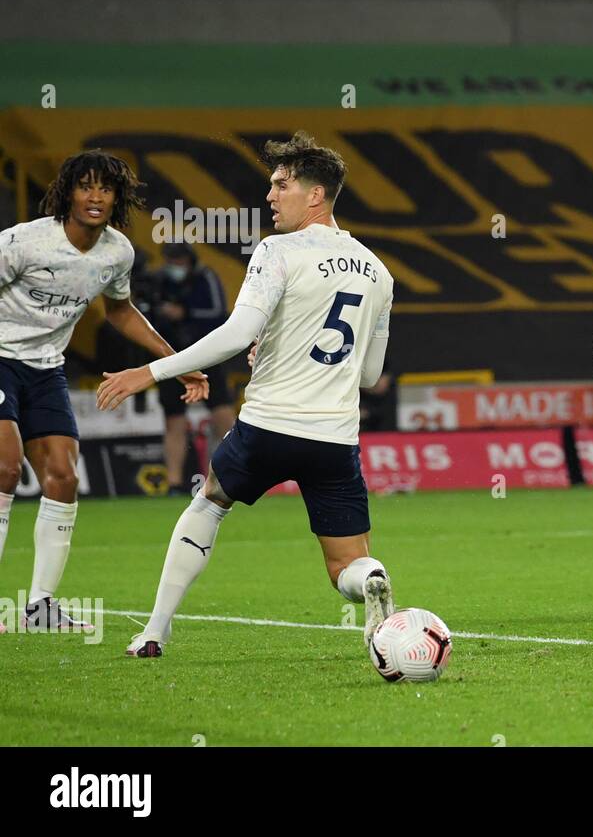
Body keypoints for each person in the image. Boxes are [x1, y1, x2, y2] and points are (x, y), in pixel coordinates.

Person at [98, 131, 396, 658]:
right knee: (344, 566)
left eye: (282, 185)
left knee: (209, 502)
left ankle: (154, 631)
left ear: (316, 196)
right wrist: (287, 348)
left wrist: (151, 371)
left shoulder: (277, 250)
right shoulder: (380, 272)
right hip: (334, 439)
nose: (270, 196)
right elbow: (369, 374)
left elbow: (237, 335)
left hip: (269, 426)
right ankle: (371, 576)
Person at [0, 151, 207, 632]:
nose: (95, 197)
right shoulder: (24, 243)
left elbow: (119, 311)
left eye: (105, 189)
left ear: (118, 197)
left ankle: (39, 609)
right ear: (67, 192)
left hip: (46, 368)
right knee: (6, 467)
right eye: (85, 186)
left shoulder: (117, 252)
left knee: (63, 475)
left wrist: (174, 363)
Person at [156, 241, 236, 495]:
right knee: (174, 420)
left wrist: (184, 313)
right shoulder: (159, 281)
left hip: (206, 355)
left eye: (179, 260)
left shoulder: (205, 277)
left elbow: (218, 313)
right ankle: (175, 483)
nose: (175, 266)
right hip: (172, 357)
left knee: (223, 414)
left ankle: (232, 473)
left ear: (189, 260)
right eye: (171, 261)